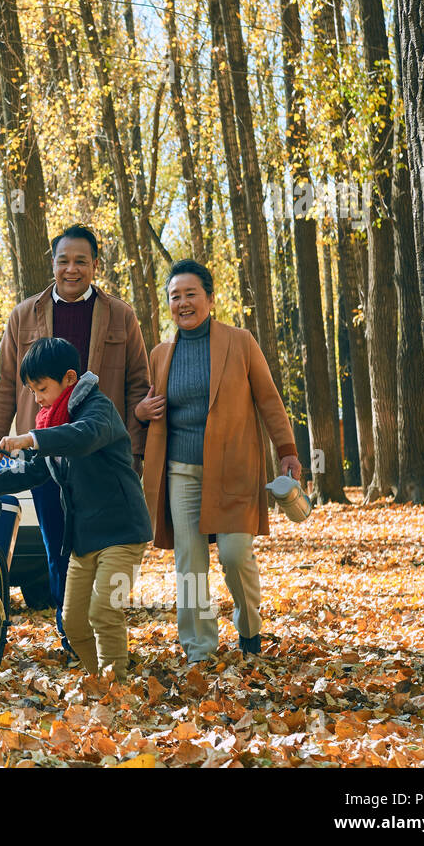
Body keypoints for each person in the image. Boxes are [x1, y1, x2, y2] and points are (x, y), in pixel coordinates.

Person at [0, 225, 149, 657]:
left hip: (98, 455)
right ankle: (69, 636)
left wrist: (135, 449)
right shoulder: (24, 315)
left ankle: (101, 636)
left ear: (95, 265)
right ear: (52, 264)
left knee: (99, 542)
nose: (72, 269)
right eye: (63, 260)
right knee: (58, 547)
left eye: (81, 261)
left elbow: (137, 385)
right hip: (44, 455)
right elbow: (1, 385)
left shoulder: (120, 315)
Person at [135, 259, 303, 661]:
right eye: (175, 297)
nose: (183, 303)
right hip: (181, 472)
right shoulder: (161, 354)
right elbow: (144, 408)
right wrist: (141, 413)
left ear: (210, 298)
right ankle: (199, 649)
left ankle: (249, 627)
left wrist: (287, 451)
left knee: (233, 555)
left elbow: (268, 400)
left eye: (191, 294)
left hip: (235, 469)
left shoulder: (240, 342)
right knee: (190, 563)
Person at [0, 338, 151, 680]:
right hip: (82, 538)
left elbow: (82, 436)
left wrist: (31, 439)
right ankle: (103, 685)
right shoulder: (51, 421)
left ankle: (117, 689)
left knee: (104, 611)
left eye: (42, 388)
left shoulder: (97, 410)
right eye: (31, 391)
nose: (37, 399)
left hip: (123, 532)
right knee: (73, 622)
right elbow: (34, 469)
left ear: (70, 379)